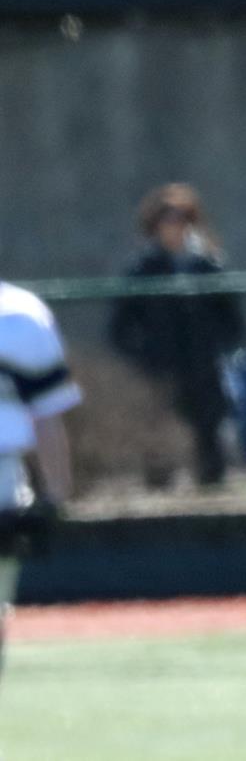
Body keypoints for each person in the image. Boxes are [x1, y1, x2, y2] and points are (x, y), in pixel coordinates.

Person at [109, 183, 245, 486]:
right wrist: (143, 354)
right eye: (167, 220)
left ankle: (211, 485)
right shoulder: (143, 270)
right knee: (161, 435)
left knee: (208, 429)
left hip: (204, 365)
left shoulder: (208, 266)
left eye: (181, 219)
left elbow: (231, 319)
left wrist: (219, 348)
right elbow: (120, 326)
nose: (174, 227)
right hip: (161, 367)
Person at [1, 280, 82, 686]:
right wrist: (55, 494)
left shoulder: (17, 314)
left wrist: (55, 495)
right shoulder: (17, 312)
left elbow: (48, 412)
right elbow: (48, 414)